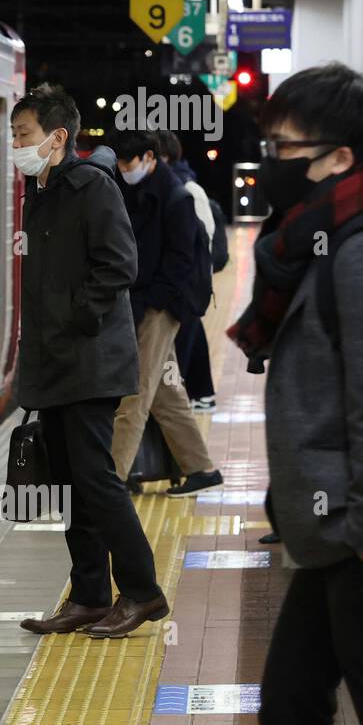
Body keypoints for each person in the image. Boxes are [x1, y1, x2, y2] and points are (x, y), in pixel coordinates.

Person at [227, 63, 363, 725]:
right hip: (331, 534)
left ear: (340, 157)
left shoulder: (359, 248)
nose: (270, 162)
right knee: (289, 707)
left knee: (293, 709)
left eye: (285, 148)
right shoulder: (321, 235)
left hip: (356, 534)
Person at [10, 85, 169, 638]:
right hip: (55, 362)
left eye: (24, 135)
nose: (17, 144)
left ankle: (142, 592)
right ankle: (89, 594)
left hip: (89, 360)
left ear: (57, 137)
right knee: (68, 480)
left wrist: (75, 319)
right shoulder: (42, 189)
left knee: (96, 478)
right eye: (14, 135)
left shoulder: (90, 187)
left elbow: (120, 265)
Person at [111, 130, 224, 496]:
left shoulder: (175, 197)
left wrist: (152, 303)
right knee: (165, 391)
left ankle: (112, 482)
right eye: (120, 164)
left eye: (129, 163)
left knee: (135, 393)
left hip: (161, 305)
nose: (124, 170)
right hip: (144, 301)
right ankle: (202, 469)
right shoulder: (137, 189)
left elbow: (179, 261)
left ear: (149, 157)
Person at [155, 131, 218, 412]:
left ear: (165, 156)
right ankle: (202, 393)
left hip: (189, 282)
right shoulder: (167, 186)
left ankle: (189, 396)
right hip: (183, 284)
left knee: (182, 340)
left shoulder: (188, 190)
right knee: (193, 334)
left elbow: (205, 238)